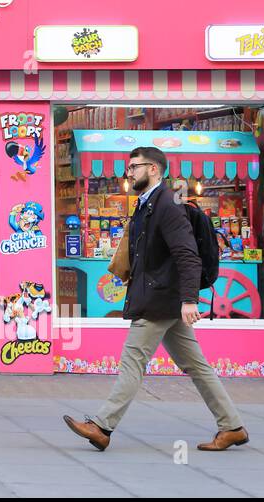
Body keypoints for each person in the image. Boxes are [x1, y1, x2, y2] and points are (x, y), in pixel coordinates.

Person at [64, 146, 248, 452]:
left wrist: (189, 299)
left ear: (154, 170)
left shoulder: (168, 205)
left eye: (135, 166)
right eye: (129, 167)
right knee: (197, 366)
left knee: (132, 360)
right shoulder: (148, 204)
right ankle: (232, 426)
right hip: (163, 297)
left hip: (160, 299)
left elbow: (188, 256)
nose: (129, 172)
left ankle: (102, 426)